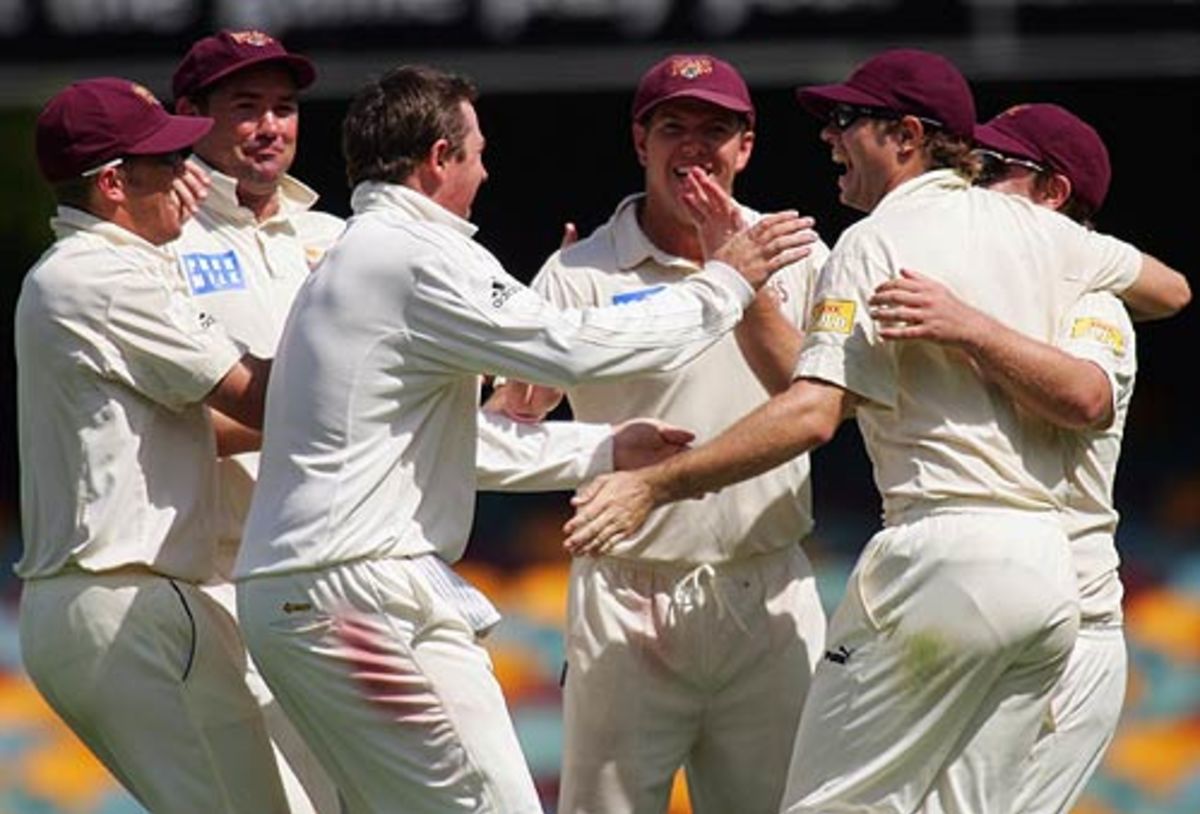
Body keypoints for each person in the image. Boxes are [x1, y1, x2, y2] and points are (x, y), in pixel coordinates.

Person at [562, 49, 1190, 813]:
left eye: (848, 121)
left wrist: (654, 484)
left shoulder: (873, 242)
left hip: (941, 559)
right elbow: (1171, 287)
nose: (830, 136)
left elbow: (814, 411)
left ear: (905, 135)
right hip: (1046, 578)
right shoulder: (1040, 232)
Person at [231, 64, 815, 812]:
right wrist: (725, 282)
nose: (487, 168)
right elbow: (572, 350)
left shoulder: (370, 254)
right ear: (440, 159)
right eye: (476, 151)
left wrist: (601, 450)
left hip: (337, 583)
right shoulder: (416, 256)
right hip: (353, 588)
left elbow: (460, 442)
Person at [488, 53, 830, 814]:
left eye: (717, 129)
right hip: (627, 593)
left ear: (747, 146)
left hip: (765, 584)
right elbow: (513, 420)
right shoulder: (577, 272)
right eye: (674, 127)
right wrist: (521, 390)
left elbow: (808, 403)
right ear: (640, 142)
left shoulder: (799, 255)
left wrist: (731, 273)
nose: (695, 147)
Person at [868, 102, 1174, 814]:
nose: (971, 187)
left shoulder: (1095, 301)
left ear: (1053, 195)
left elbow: (1088, 396)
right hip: (984, 604)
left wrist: (966, 326)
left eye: (995, 171)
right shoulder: (983, 283)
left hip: (1071, 628)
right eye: (968, 168)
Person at [15, 77, 287, 813]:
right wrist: (395, 344)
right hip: (125, 593)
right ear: (112, 184)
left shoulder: (104, 271)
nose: (188, 178)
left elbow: (225, 430)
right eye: (165, 163)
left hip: (134, 597)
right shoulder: (102, 276)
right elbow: (257, 394)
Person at [170, 29, 347, 813]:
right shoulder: (158, 241)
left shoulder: (335, 238)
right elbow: (157, 425)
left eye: (283, 107)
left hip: (342, 576)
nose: (270, 126)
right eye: (246, 108)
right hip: (219, 586)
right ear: (189, 116)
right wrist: (339, 417)